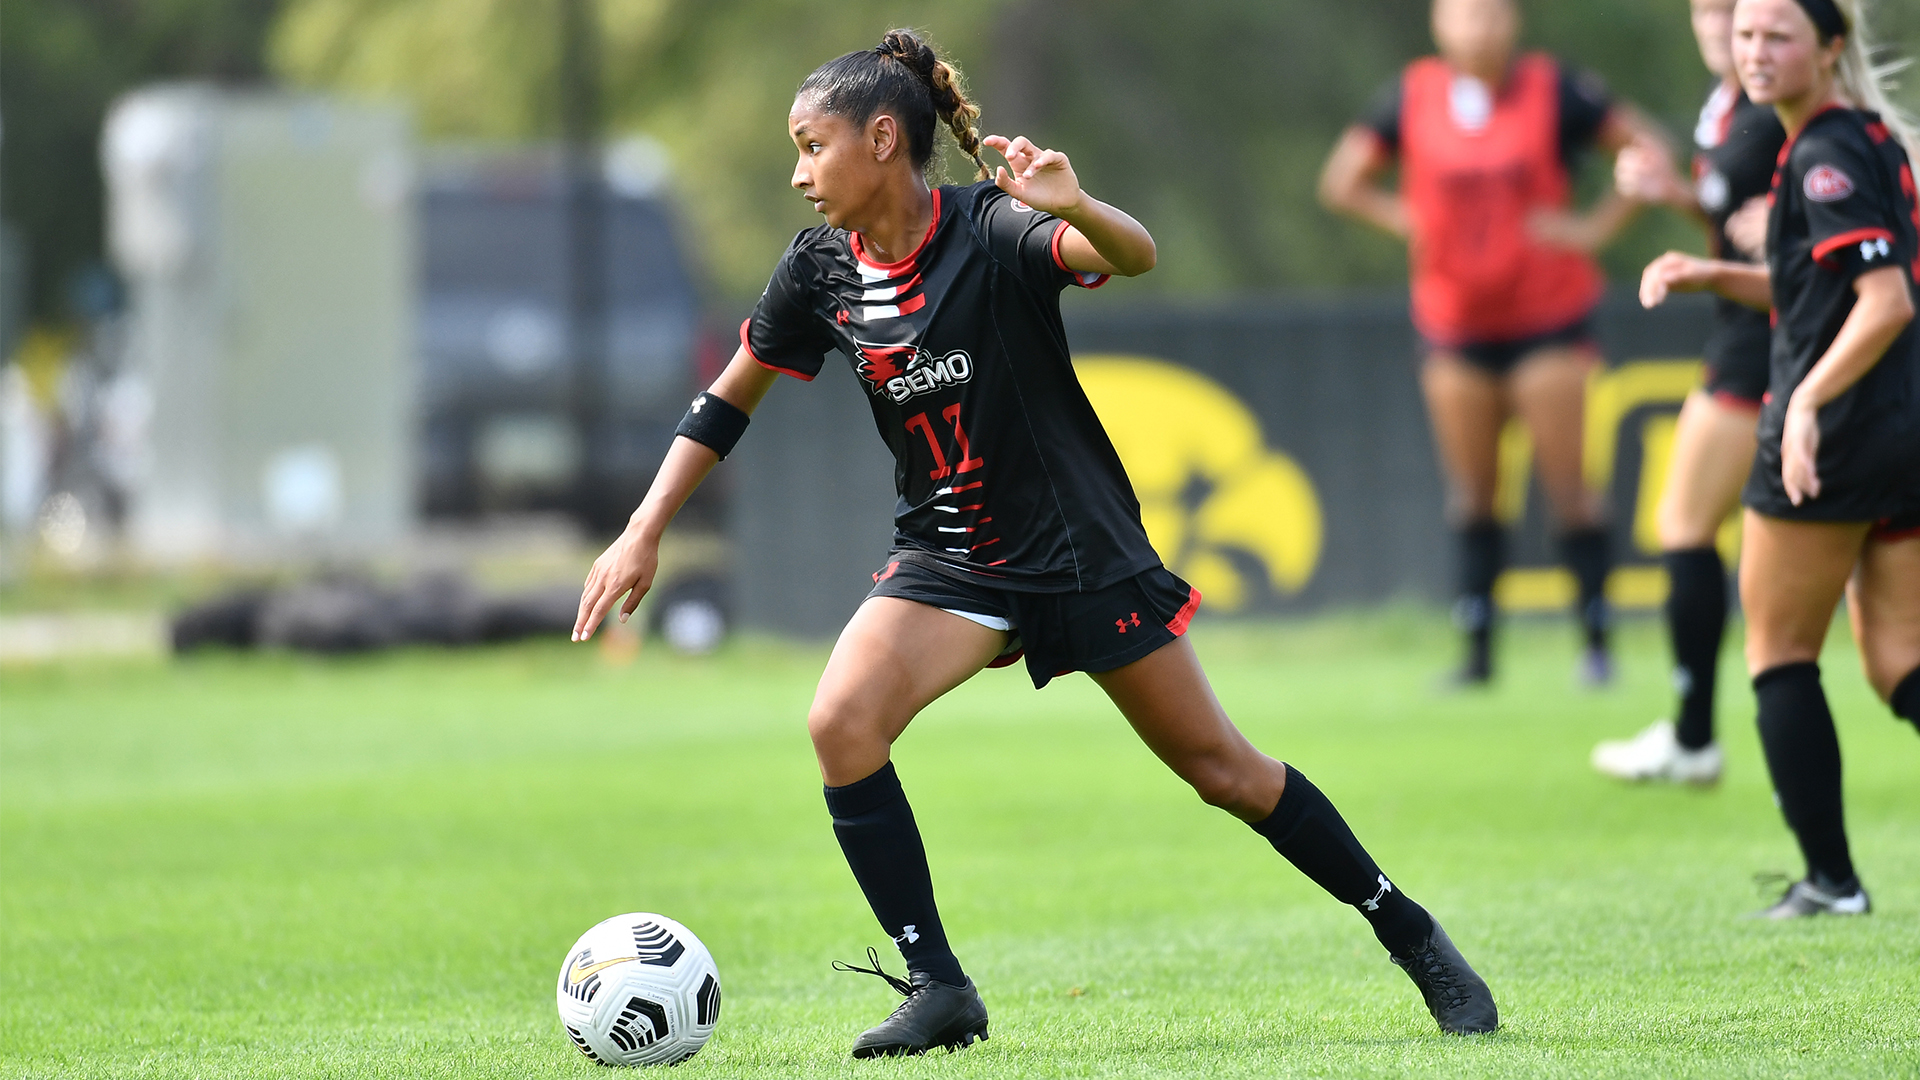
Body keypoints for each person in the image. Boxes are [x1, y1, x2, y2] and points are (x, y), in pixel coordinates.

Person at [574, 29, 1498, 1058]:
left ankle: (1405, 927)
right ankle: (939, 987)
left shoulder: (992, 228)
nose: (798, 173)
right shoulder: (819, 270)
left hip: (1076, 550)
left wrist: (1073, 204)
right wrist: (641, 530)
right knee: (840, 721)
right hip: (948, 558)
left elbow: (1131, 253)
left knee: (1223, 770)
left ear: (883, 138)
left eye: (811, 145)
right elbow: (724, 403)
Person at [1636, 0, 1920, 917]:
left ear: (1831, 47)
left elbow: (1885, 303)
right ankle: (1830, 879)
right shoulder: (1860, 136)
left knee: (1779, 652)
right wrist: (1711, 272)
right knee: (1898, 662)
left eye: (1779, 36)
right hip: (1900, 426)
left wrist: (1804, 400)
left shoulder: (1826, 154)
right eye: (1746, 35)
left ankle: (1832, 882)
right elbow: (1821, 283)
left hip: (1838, 435)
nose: (1754, 52)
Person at [1319, 0, 1668, 686]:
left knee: (1570, 489)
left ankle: (1596, 650)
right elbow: (1342, 183)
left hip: (1548, 318)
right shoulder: (1413, 96)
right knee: (1474, 494)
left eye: (1493, 14)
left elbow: (1647, 149)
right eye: (1465, 15)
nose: (1480, 28)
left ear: (1515, 22)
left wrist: (1595, 229)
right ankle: (1477, 659)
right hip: (1455, 323)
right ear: (1438, 24)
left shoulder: (1556, 89)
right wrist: (1408, 222)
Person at [1591, 0, 1786, 785]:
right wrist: (1677, 192)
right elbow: (1733, 218)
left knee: (1691, 526)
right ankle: (1692, 730)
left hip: (1773, 339)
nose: (1716, 21)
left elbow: (1821, 205)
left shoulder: (1793, 105)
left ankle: (1695, 735)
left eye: (1734, 10)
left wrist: (1786, 215)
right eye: (1707, 9)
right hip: (1752, 331)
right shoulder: (1729, 102)